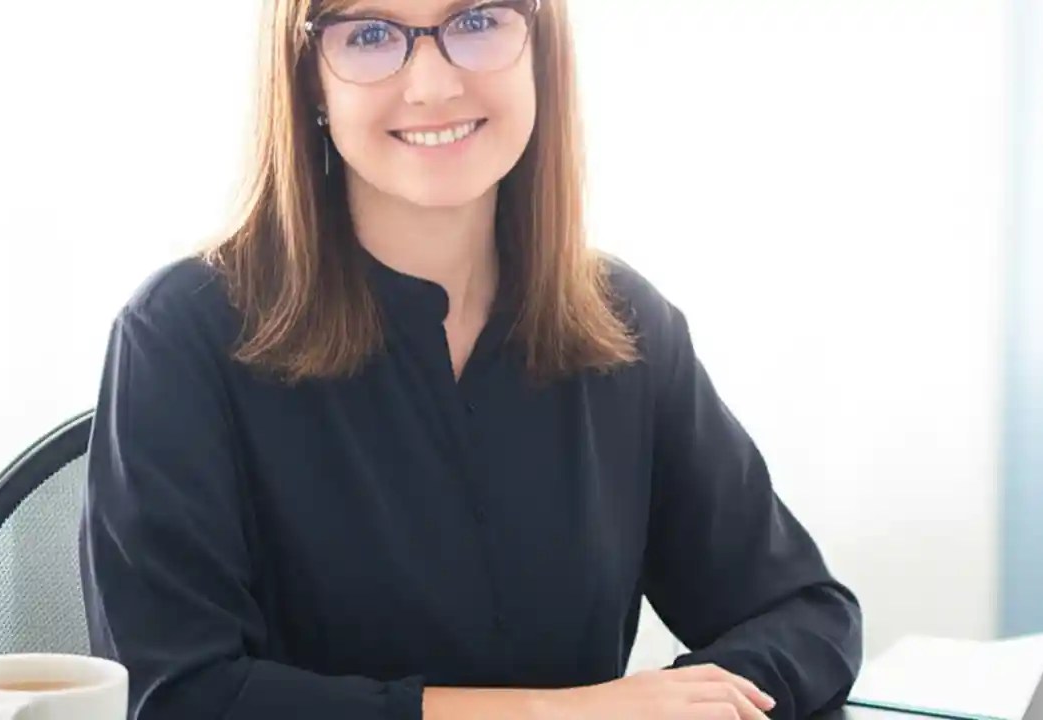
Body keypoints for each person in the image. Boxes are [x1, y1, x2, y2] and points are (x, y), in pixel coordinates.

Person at [78, 0, 863, 718]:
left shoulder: (625, 323)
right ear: (310, 79)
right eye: (372, 35)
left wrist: (702, 705)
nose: (432, 83)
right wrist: (563, 714)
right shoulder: (181, 333)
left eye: (478, 19)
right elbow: (176, 696)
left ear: (540, 53)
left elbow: (804, 615)